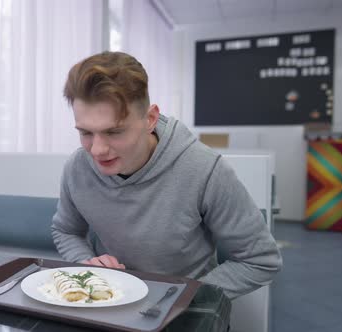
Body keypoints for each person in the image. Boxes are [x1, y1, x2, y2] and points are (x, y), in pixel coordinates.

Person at [51, 51, 282, 299]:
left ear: (150, 119)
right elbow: (66, 231)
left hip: (183, 309)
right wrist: (86, 262)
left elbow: (261, 260)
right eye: (85, 133)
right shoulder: (77, 167)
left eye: (114, 132)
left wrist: (182, 299)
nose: (97, 150)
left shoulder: (205, 169)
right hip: (109, 304)